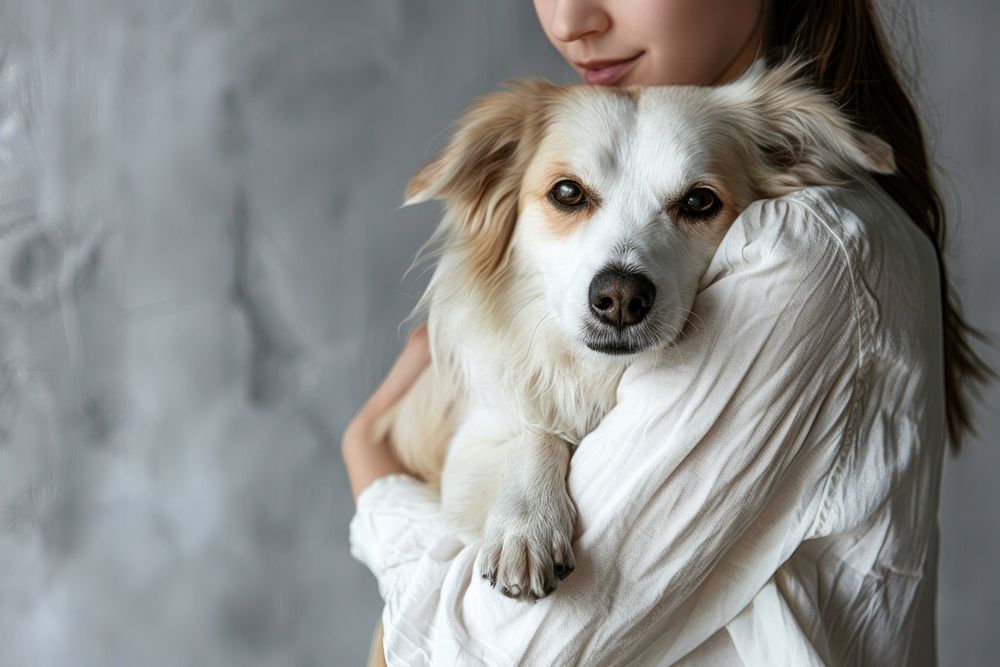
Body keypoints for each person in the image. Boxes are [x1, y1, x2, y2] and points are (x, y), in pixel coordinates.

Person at [342, 0, 992, 664]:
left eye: (696, 203)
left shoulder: (800, 256)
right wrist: (535, 448)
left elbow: (493, 649)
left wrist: (373, 477)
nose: (570, 20)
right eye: (571, 196)